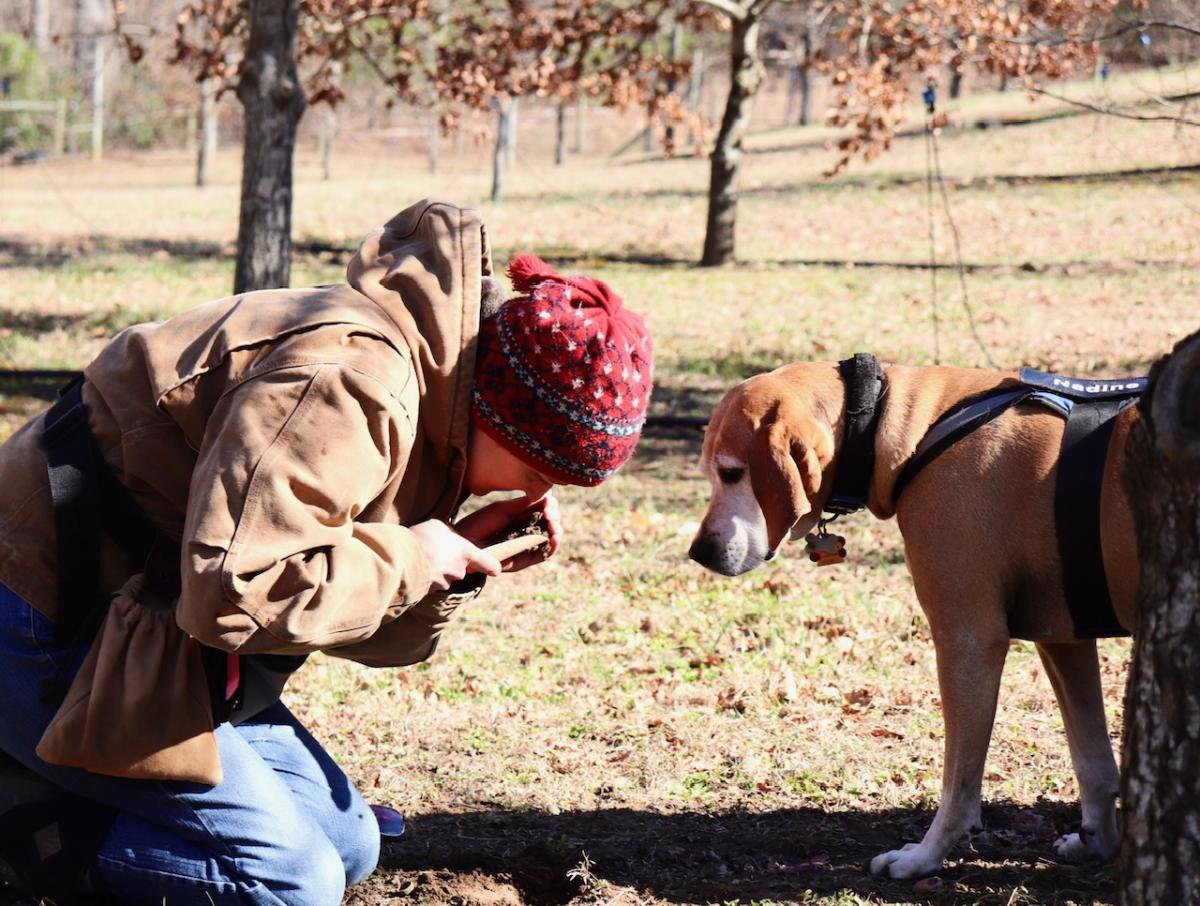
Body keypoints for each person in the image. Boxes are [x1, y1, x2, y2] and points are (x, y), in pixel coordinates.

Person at [0, 199, 653, 904]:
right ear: (498, 416)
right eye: (539, 471)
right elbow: (235, 592)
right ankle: (28, 824)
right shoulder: (349, 386)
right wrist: (409, 556)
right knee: (290, 883)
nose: (539, 494)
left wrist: (446, 561)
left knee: (348, 845)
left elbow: (350, 629)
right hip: (39, 603)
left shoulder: (439, 405)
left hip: (134, 617)